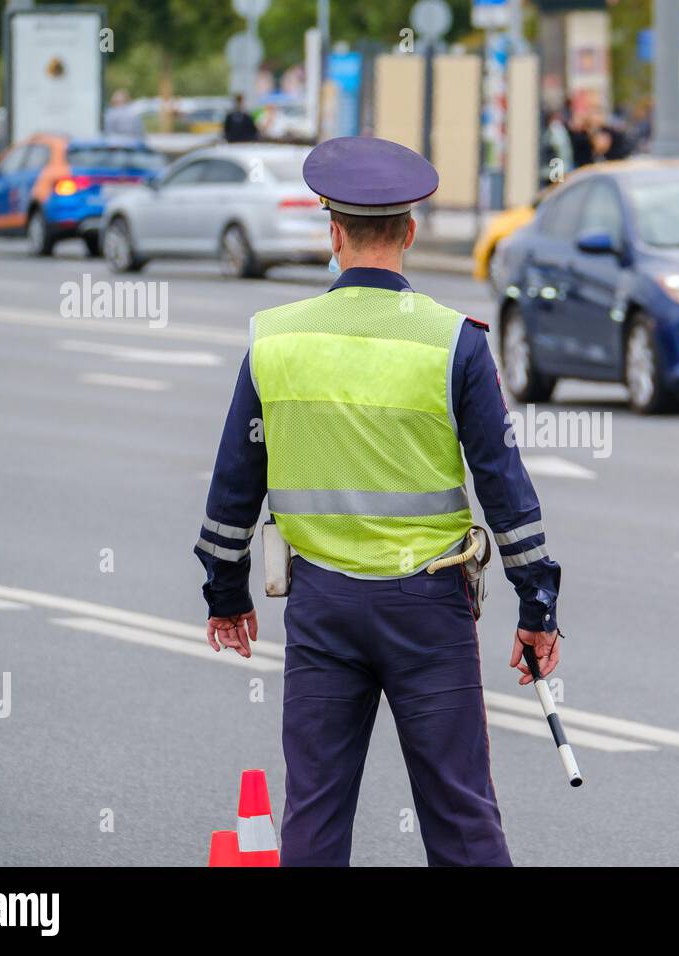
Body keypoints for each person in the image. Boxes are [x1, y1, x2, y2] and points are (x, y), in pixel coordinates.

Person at [194, 136, 562, 867]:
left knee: (315, 818)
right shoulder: (452, 343)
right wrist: (537, 607)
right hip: (429, 610)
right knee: (460, 815)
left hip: (323, 607)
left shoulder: (275, 339)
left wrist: (225, 594)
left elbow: (234, 485)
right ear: (411, 232)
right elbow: (505, 487)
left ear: (333, 234)